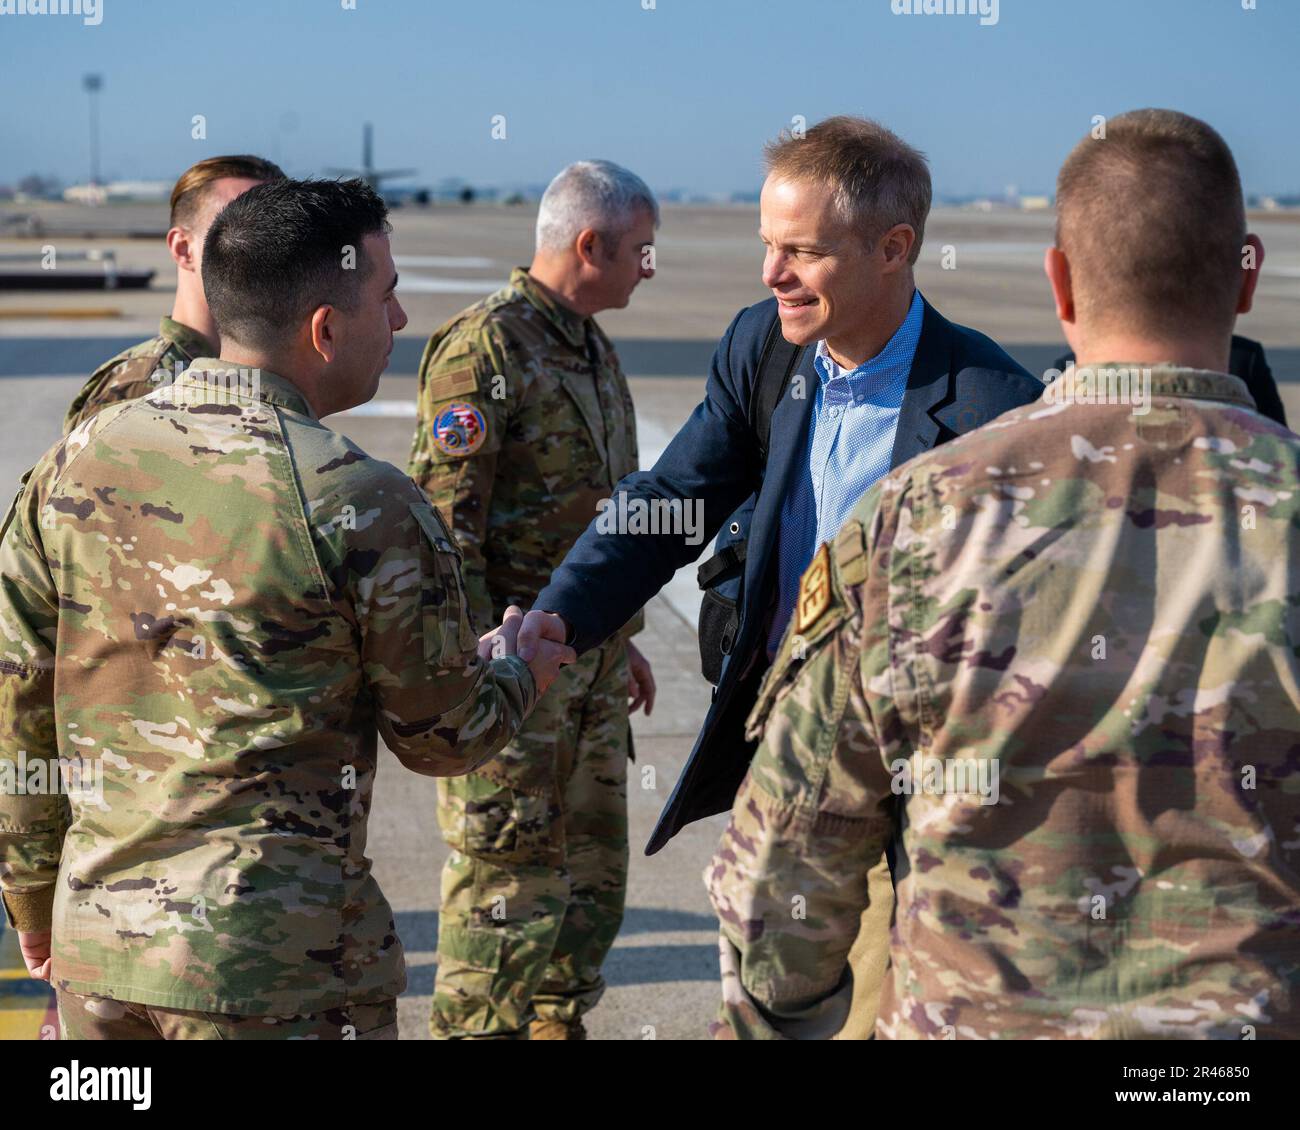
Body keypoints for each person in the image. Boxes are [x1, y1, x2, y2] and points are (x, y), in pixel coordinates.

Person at [705, 108, 1300, 1040]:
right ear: (1246, 275)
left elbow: (791, 842)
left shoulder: (912, 519)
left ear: (1060, 281)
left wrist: (793, 1010)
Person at [0, 177, 572, 1040]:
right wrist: (516, 672)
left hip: (103, 963)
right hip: (277, 977)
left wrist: (33, 897)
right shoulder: (365, 502)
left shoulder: (74, 462)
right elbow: (441, 736)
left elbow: (17, 700)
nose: (404, 320)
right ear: (325, 328)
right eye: (387, 297)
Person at [521, 117, 1046, 1036]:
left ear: (895, 249)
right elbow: (673, 500)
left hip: (903, 786)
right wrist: (564, 615)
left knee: (878, 1009)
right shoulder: (765, 349)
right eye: (769, 246)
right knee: (764, 1011)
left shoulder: (993, 411)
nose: (772, 275)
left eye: (801, 252)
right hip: (776, 762)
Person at [409, 160, 657, 1040]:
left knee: (588, 893)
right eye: (640, 251)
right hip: (513, 687)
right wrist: (484, 681)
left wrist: (616, 634)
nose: (647, 269)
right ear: (589, 245)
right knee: (505, 892)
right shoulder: (485, 349)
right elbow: (445, 534)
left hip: (584, 681)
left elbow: (601, 518)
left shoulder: (590, 346)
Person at [62, 154, 284, 433]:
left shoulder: (273, 372)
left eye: (278, 236)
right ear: (183, 248)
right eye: (240, 234)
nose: (266, 253)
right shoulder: (144, 385)